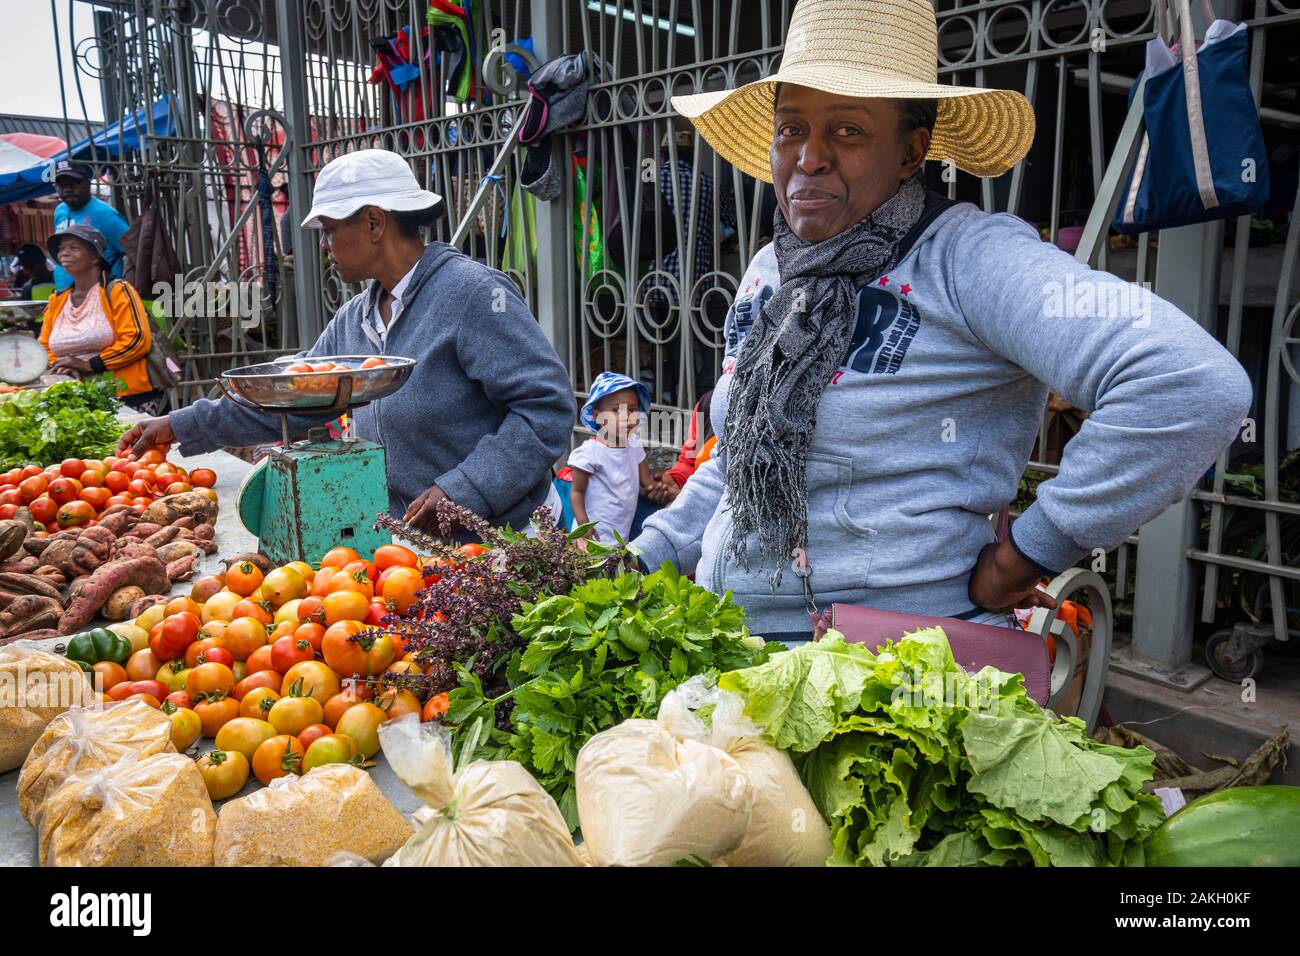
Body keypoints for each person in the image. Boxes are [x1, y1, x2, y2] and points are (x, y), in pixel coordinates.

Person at [630, 0, 1253, 642]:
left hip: (888, 674)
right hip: (721, 640)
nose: (809, 157)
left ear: (911, 152)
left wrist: (1028, 555)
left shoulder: (969, 259)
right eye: (791, 128)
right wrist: (642, 557)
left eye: (847, 131)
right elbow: (738, 462)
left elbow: (1192, 385)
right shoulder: (771, 270)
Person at [118, 149, 575, 533]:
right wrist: (180, 425)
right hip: (416, 536)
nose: (325, 246)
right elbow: (295, 395)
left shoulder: (472, 294)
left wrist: (464, 490)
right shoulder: (356, 319)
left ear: (375, 223)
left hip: (509, 535)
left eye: (331, 230)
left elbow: (545, 409)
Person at [39, 224, 158, 412]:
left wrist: (90, 365)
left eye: (73, 247)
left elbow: (137, 340)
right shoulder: (57, 301)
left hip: (126, 398)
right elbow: (44, 346)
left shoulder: (118, 291)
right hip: (75, 400)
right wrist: (63, 366)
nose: (64, 253)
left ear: (95, 257)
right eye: (61, 249)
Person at [568, 372, 662, 544]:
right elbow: (576, 493)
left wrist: (658, 488)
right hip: (591, 539)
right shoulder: (590, 453)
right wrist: (584, 526)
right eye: (616, 410)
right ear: (597, 416)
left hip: (620, 537)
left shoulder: (633, 444)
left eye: (632, 410)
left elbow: (646, 481)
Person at [50, 161, 129, 292]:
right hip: (65, 295)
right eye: (61, 185)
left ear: (87, 183)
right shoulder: (60, 211)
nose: (67, 189)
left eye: (73, 183)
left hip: (100, 294)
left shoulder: (105, 215)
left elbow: (134, 252)